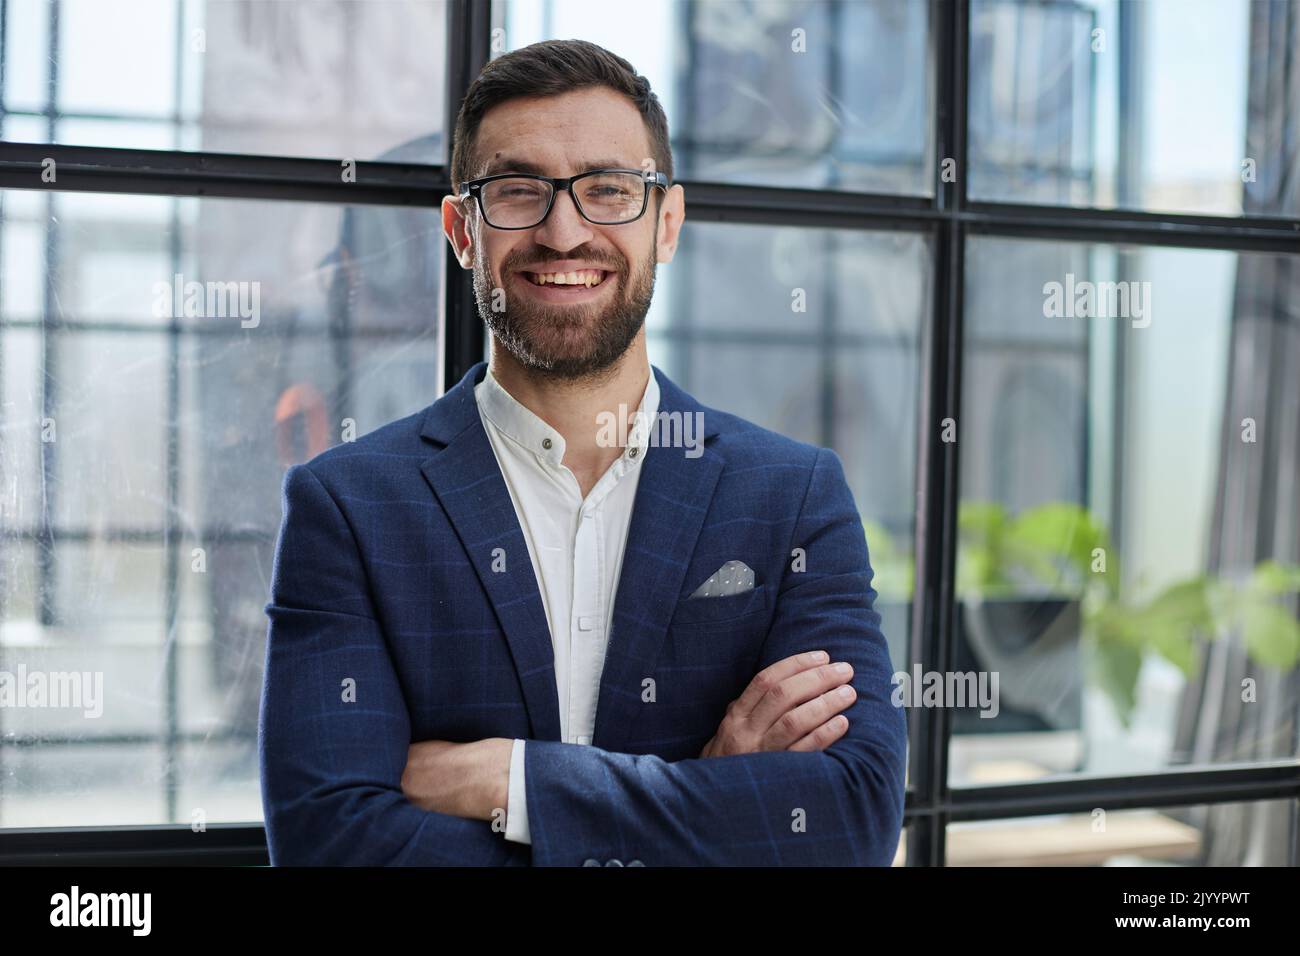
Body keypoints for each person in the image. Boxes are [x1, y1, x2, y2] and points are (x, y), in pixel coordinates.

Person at [259, 38, 906, 866]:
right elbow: (332, 846)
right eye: (518, 191)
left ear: (666, 223)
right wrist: (705, 795)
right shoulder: (348, 509)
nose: (565, 233)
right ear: (462, 230)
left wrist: (515, 785)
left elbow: (852, 821)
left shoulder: (792, 495)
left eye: (608, 190)